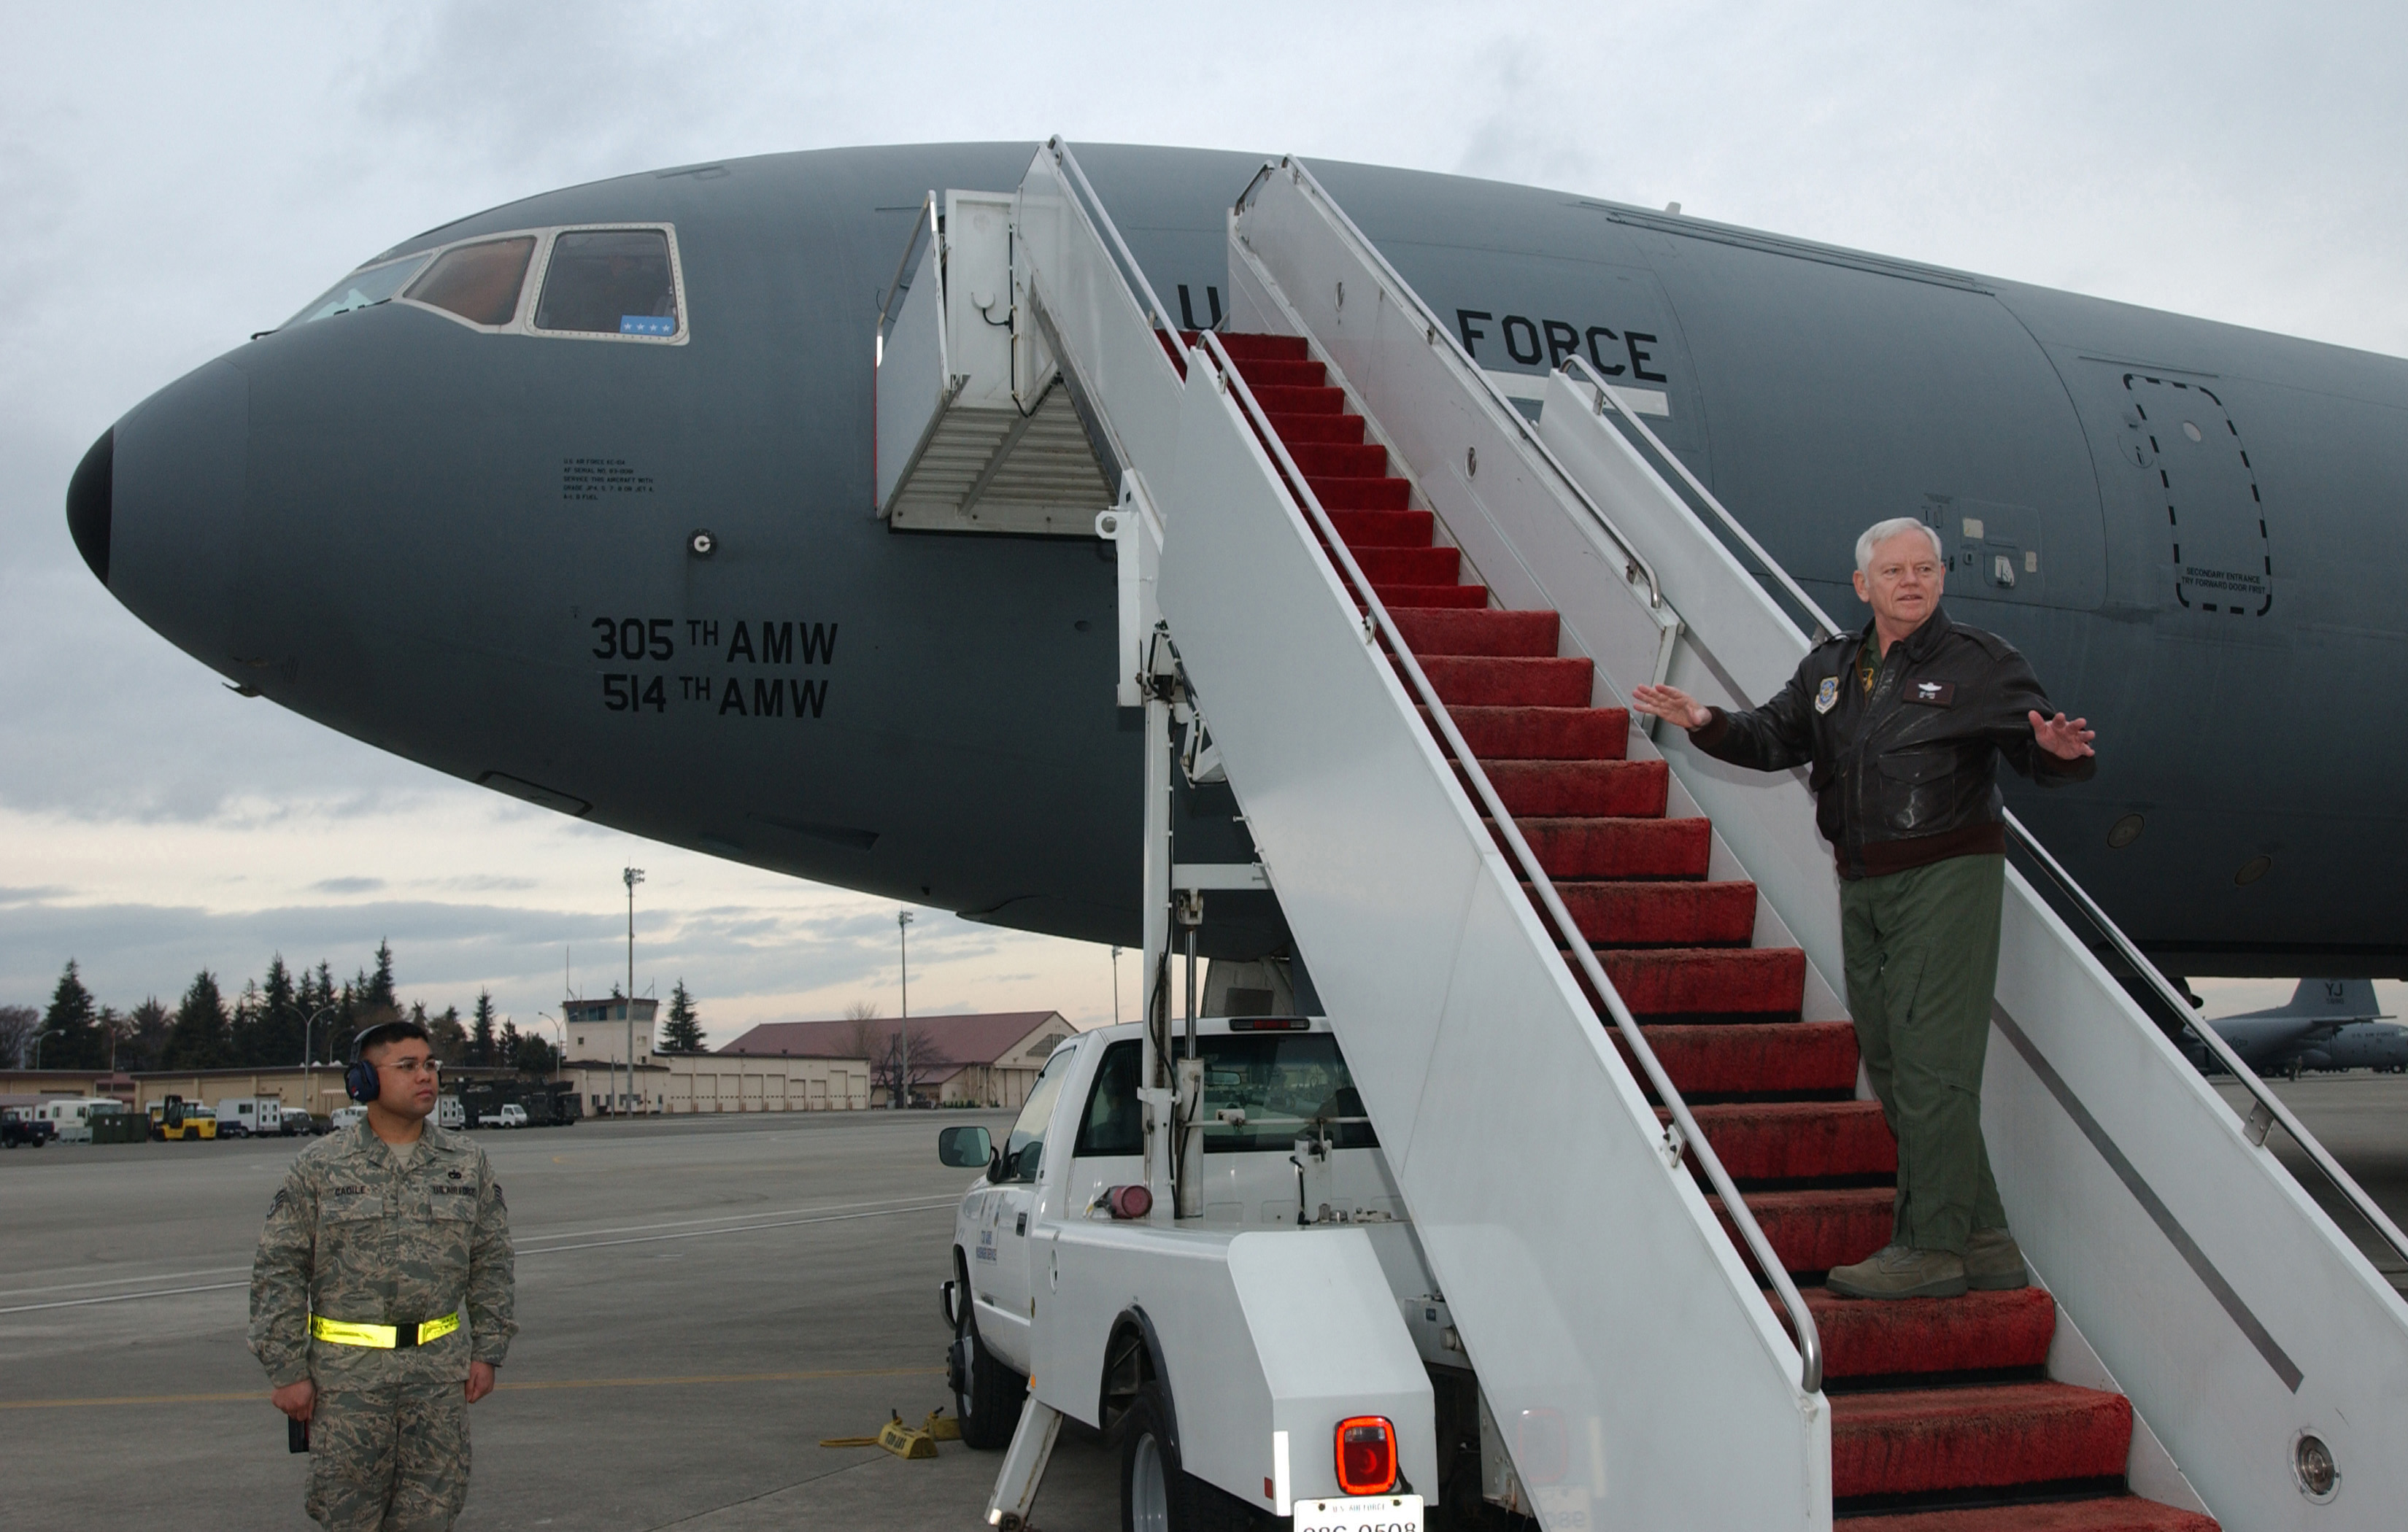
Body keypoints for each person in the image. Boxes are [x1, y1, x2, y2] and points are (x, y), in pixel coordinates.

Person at [1630, 518, 2096, 1300]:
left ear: (1942, 578)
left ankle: (1932, 1246)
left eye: (1925, 569)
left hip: (1948, 872)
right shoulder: (1830, 668)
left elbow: (2033, 746)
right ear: (1863, 586)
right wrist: (1706, 723)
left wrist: (2053, 754)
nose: (1911, 581)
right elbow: (1774, 738)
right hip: (1863, 879)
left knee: (1931, 1063)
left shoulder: (1982, 663)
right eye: (1894, 571)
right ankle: (1984, 1241)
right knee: (1892, 1059)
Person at [250, 1016, 515, 1528]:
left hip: (437, 1383)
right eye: (408, 1066)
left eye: (431, 1066)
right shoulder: (321, 1166)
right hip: (348, 1387)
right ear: (364, 1082)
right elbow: (278, 1269)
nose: (426, 1078)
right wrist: (286, 1370)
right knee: (348, 1518)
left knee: (431, 1517)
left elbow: (492, 1260)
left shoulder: (466, 1163)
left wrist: (488, 1351)